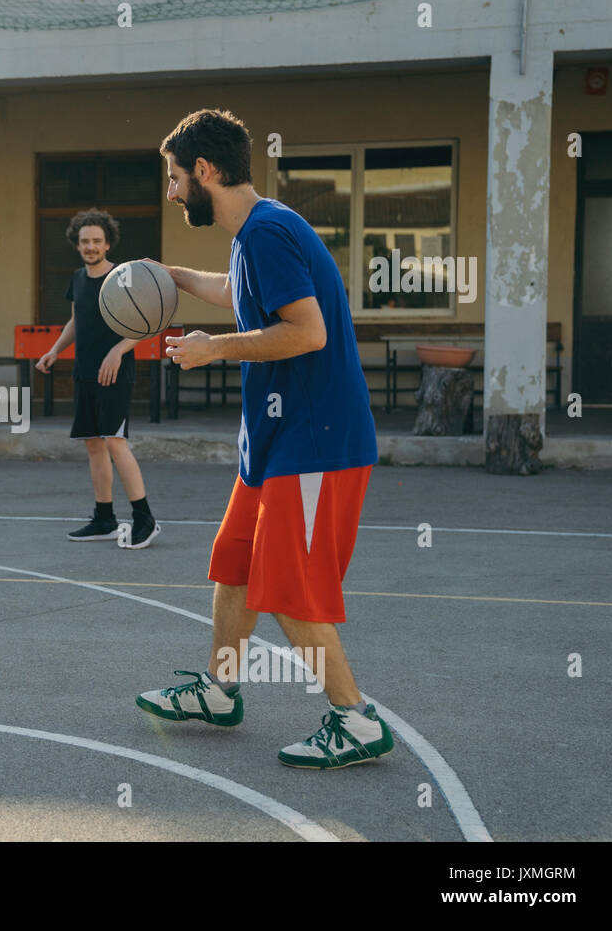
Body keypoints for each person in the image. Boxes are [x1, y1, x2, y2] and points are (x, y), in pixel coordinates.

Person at [135, 108, 393, 769]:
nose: (170, 193)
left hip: (315, 442)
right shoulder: (253, 235)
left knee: (287, 586)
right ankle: (220, 691)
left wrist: (212, 348)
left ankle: (354, 719)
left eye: (173, 178)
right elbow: (244, 293)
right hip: (274, 444)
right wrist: (181, 279)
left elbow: (308, 331)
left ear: (205, 171)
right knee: (236, 565)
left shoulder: (269, 232)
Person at [37, 209, 160, 549]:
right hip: (85, 371)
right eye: (85, 241)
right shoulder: (77, 279)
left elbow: (149, 324)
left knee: (114, 442)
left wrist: (119, 351)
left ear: (108, 244)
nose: (90, 246)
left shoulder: (124, 278)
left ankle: (144, 519)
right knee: (94, 444)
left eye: (96, 241)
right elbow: (76, 322)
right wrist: (55, 351)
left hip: (114, 373)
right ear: (77, 245)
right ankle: (104, 517)